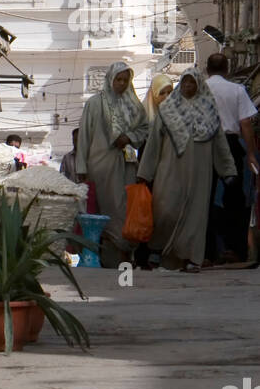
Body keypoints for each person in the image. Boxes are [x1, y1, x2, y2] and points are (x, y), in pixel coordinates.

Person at [138, 68, 236, 273]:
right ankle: (158, 249)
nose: (189, 87)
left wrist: (227, 169)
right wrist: (145, 173)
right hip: (169, 170)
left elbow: (220, 143)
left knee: (196, 215)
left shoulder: (210, 110)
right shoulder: (167, 109)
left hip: (200, 173)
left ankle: (192, 258)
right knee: (164, 210)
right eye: (185, 83)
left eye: (192, 83)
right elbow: (154, 143)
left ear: (199, 85)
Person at [76, 61, 148, 267]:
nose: (122, 84)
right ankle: (102, 260)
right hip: (98, 167)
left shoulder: (134, 105)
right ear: (110, 79)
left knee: (122, 210)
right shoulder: (94, 104)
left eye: (126, 80)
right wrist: (81, 167)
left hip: (125, 167)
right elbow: (84, 137)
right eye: (119, 79)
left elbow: (144, 129)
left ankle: (123, 258)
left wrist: (129, 137)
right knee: (99, 211)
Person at [204, 52, 258, 263]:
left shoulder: (201, 89)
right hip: (230, 145)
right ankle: (234, 249)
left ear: (207, 70)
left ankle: (207, 252)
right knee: (235, 199)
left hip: (205, 144)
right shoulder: (237, 90)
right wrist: (251, 153)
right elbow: (245, 124)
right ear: (227, 69)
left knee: (205, 197)